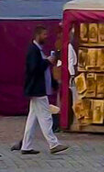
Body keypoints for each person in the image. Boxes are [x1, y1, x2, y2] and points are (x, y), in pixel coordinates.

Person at [13, 26, 68, 155]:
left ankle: (26, 146)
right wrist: (47, 61)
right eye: (44, 34)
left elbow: (42, 69)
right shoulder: (33, 50)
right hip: (37, 89)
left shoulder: (38, 50)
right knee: (46, 117)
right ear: (37, 35)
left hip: (38, 89)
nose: (46, 37)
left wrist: (53, 82)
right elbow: (34, 69)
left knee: (32, 119)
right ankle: (53, 144)